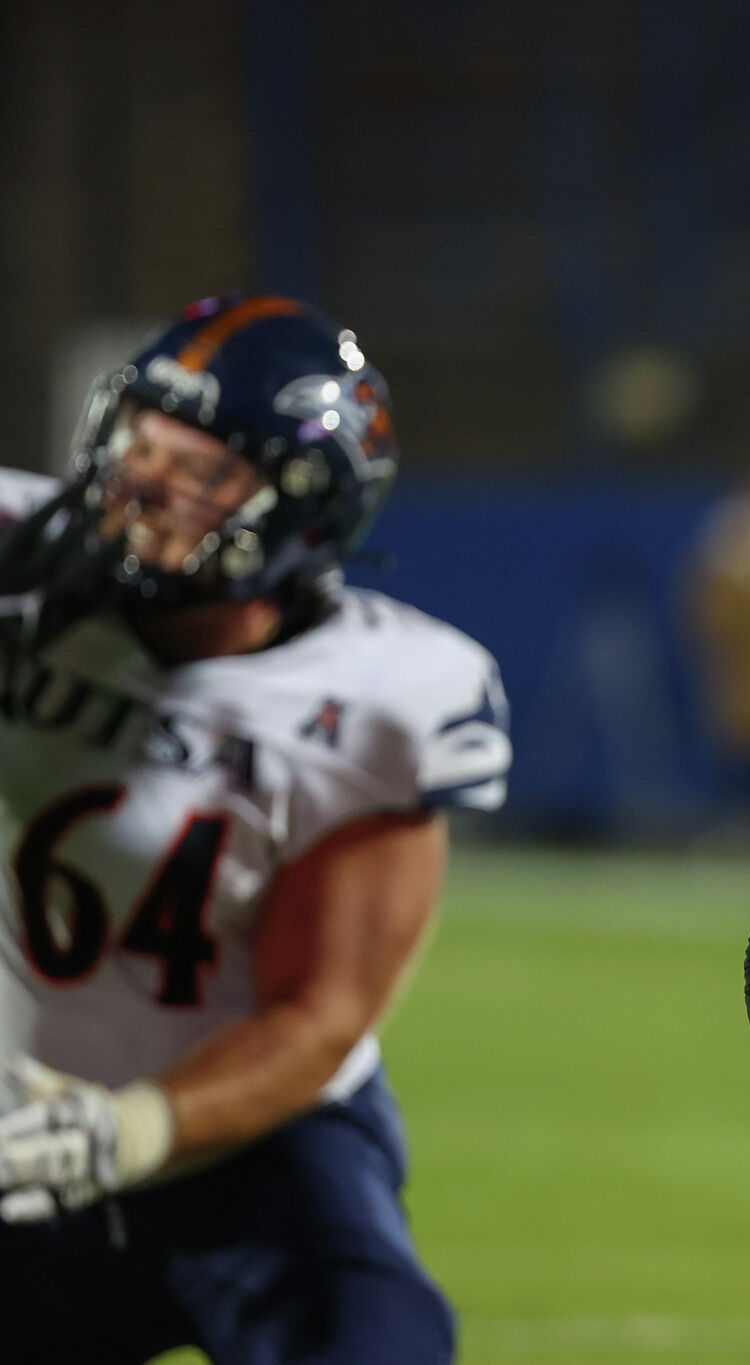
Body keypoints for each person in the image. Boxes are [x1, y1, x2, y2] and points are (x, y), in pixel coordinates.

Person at [0, 295, 510, 1364]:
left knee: (380, 1345)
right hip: (13, 1116)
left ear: (303, 506)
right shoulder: (21, 567)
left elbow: (322, 1011)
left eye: (200, 471)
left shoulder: (384, 696)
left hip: (252, 1147)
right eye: (139, 442)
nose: (145, 485)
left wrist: (128, 1130)